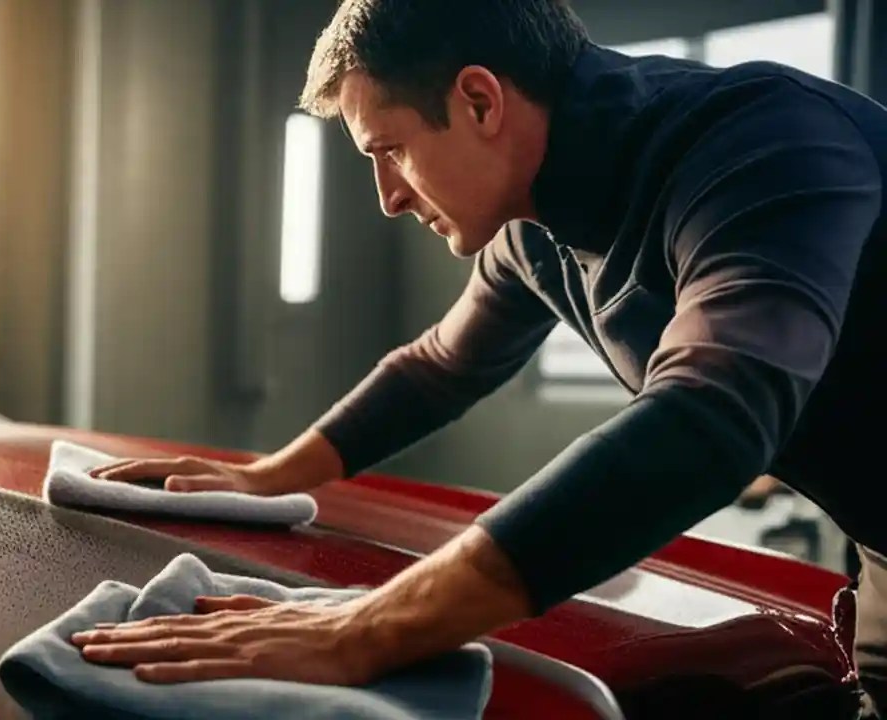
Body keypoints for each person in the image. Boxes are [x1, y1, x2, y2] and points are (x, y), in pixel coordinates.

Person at [71, 0, 887, 715]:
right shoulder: (532, 230)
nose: (388, 196)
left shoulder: (767, 142)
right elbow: (438, 367)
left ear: (478, 99)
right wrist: (268, 477)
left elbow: (713, 412)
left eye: (386, 150)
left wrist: (371, 625)